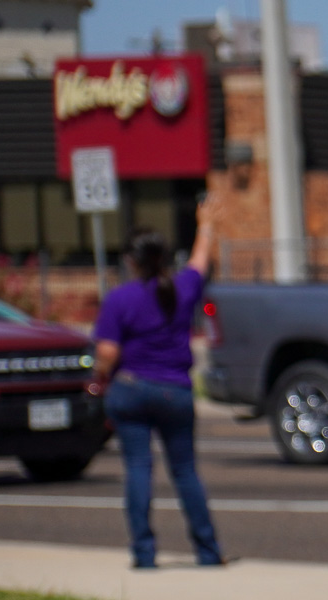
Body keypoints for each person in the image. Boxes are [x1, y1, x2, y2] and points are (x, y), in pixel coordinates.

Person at [93, 205, 224, 569]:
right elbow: (200, 261)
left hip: (131, 388)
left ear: (130, 261)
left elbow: (106, 352)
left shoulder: (120, 299)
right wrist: (206, 226)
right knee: (185, 471)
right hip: (176, 391)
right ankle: (208, 551)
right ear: (164, 258)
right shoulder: (181, 288)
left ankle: (144, 553)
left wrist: (101, 376)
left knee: (138, 468)